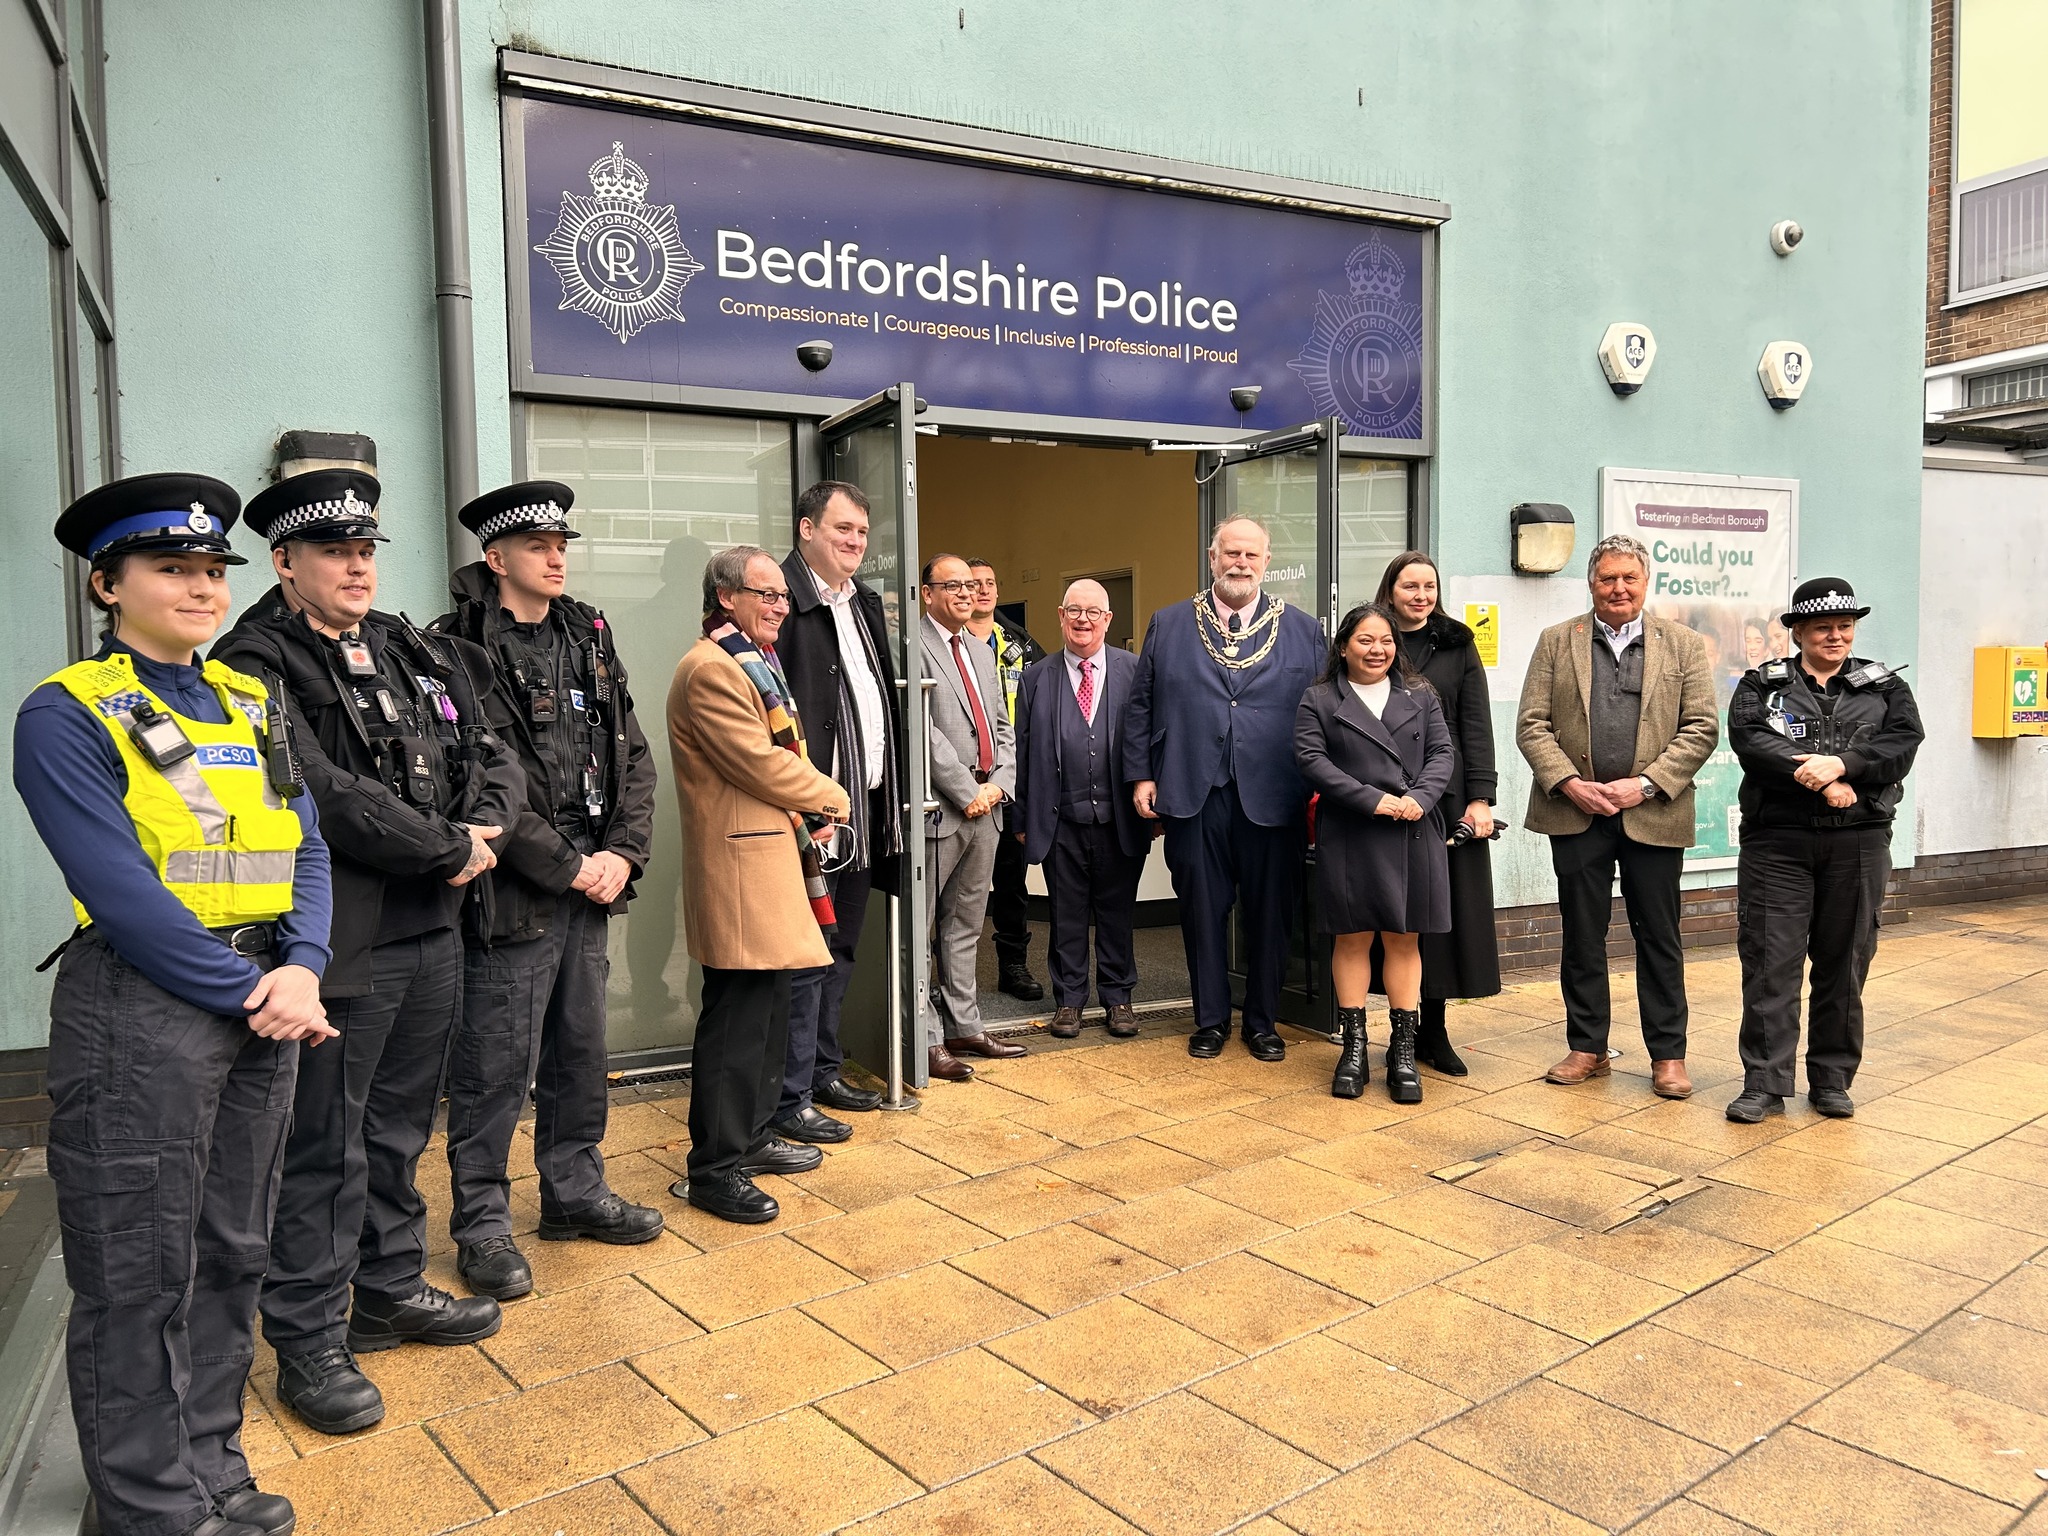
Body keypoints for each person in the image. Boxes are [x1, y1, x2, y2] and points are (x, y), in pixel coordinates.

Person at [16, 472, 336, 1536]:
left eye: (212, 570)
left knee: (233, 1249)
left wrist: (304, 964)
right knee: (140, 1266)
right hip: (145, 1010)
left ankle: (209, 1468)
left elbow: (306, 847)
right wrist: (256, 989)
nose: (201, 588)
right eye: (171, 569)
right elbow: (119, 889)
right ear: (108, 585)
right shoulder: (65, 711)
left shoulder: (252, 700)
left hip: (266, 997)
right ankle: (147, 1506)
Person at [214, 470, 519, 1436]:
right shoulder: (252, 656)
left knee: (397, 1132)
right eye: (333, 552)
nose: (356, 567)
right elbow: (318, 790)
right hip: (340, 942)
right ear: (284, 562)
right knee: (324, 1146)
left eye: (364, 550)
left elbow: (492, 750)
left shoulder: (401, 642)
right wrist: (447, 845)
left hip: (432, 927)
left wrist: (483, 826)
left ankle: (387, 1291)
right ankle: (308, 1336)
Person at [433, 482, 665, 1304]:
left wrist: (623, 854)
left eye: (561, 545)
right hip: (514, 890)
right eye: (538, 546)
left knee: (580, 1050)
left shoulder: (588, 634)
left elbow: (632, 754)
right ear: (496, 558)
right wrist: (566, 863)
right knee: (495, 1065)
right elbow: (476, 784)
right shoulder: (455, 648)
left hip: (591, 885)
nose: (556, 558)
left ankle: (574, 1191)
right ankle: (482, 1225)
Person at [665, 547, 851, 1223]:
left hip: (769, 865)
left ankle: (752, 1137)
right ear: (726, 596)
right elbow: (759, 763)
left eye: (782, 596)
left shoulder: (752, 661)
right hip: (741, 873)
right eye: (765, 594)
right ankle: (714, 1169)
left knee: (768, 1018)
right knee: (737, 1027)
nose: (779, 606)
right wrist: (833, 796)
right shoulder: (711, 669)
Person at [1515, 533, 1720, 1100]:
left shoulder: (1683, 644)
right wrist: (1570, 784)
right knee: (1582, 935)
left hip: (1653, 813)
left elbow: (1701, 727)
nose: (1619, 588)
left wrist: (1645, 784)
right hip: (1577, 812)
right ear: (1591, 583)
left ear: (1646, 582)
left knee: (1660, 937)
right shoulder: (1557, 641)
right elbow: (1531, 724)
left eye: (1630, 577)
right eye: (1608, 578)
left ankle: (1668, 1056)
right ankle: (1588, 1047)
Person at [1725, 577, 1924, 1123]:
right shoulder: (1762, 685)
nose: (1835, 636)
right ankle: (1764, 1083)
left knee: (1845, 962)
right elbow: (1751, 741)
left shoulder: (1885, 687)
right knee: (1770, 963)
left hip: (1858, 842)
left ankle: (1832, 1080)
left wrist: (1844, 765)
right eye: (1822, 628)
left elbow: (1902, 744)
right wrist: (1823, 781)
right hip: (1778, 843)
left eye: (1844, 626)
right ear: (1798, 632)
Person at [1125, 517, 1324, 1061]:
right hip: (1194, 790)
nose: (1241, 563)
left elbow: (1323, 713)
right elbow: (1141, 706)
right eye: (1231, 553)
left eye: (1251, 555)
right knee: (1201, 911)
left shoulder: (1303, 631)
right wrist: (1143, 774)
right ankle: (1210, 1020)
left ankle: (1262, 1022)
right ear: (1212, 558)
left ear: (1266, 562)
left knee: (1271, 914)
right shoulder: (1169, 623)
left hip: (1275, 794)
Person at [772, 483, 900, 1144]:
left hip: (862, 811)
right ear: (806, 529)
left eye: (861, 531)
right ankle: (788, 1094)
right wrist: (803, 806)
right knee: (801, 958)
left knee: (839, 948)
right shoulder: (782, 602)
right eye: (841, 529)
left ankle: (822, 1072)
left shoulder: (864, 602)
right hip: (809, 817)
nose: (854, 541)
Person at [1295, 605, 1454, 1102]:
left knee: (1405, 939)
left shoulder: (1421, 694)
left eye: (1386, 641)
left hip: (1412, 828)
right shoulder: (1320, 698)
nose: (1377, 649)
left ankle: (1402, 1052)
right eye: (1365, 640)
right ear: (1344, 646)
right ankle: (1354, 1049)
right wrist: (1372, 799)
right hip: (1352, 829)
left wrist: (1420, 799)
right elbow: (1311, 759)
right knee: (1352, 938)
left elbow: (1442, 753)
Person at [1377, 551, 1503, 1072]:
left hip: (1447, 795)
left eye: (1429, 586)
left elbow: (1476, 722)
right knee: (1394, 915)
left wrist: (1480, 798)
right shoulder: (1372, 637)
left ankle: (1435, 1029)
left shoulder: (1457, 641)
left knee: (1444, 917)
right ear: (1391, 590)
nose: (1421, 595)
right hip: (1383, 792)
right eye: (1410, 586)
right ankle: (1400, 1032)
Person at [1013, 580, 1149, 1039]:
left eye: (1093, 612)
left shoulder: (1135, 671)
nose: (1083, 620)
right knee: (1065, 914)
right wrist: (1022, 818)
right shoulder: (1035, 678)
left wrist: (1157, 806)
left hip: (1119, 820)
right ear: (1061, 615)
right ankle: (1069, 1001)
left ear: (1108, 619)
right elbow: (1022, 753)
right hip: (1060, 823)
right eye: (1074, 611)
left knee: (1117, 914)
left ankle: (1118, 998)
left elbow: (1152, 740)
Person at [920, 553, 1026, 1080]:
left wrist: (999, 785)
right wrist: (966, 791)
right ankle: (926, 1038)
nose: (965, 593)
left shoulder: (983, 651)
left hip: (987, 807)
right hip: (943, 811)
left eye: (970, 585)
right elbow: (921, 729)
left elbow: (1004, 725)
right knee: (920, 929)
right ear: (927, 593)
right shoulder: (911, 646)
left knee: (965, 925)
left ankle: (965, 1025)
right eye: (952, 585)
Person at [620, 533, 711, 1028]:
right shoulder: (712, 629)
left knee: (653, 897)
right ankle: (702, 1000)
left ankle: (648, 996)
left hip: (652, 776)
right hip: (706, 779)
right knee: (707, 895)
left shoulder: (637, 621)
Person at [966, 557, 1048, 1002]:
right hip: (962, 783)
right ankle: (944, 980)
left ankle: (1012, 966)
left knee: (1012, 883)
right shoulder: (943, 642)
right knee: (955, 887)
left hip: (1012, 781)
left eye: (990, 583)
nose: (982, 590)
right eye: (973, 583)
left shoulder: (1020, 644)